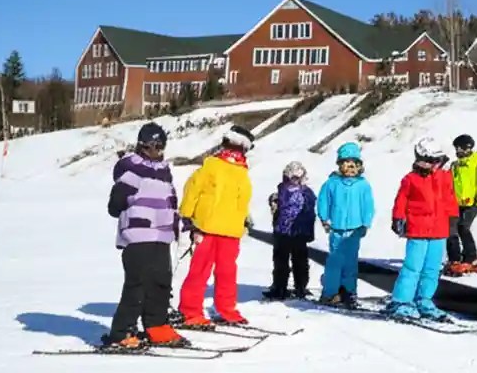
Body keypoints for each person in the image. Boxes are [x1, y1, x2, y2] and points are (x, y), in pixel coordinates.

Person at [102, 122, 189, 349]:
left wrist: (178, 222)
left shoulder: (164, 172)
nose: (158, 151)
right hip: (138, 236)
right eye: (154, 146)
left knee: (161, 283)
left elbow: (170, 203)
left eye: (162, 146)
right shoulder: (132, 170)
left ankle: (157, 325)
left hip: (161, 237)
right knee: (137, 285)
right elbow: (115, 206)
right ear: (143, 145)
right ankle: (121, 332)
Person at [177, 125, 256, 328]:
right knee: (200, 271)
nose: (235, 152)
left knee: (227, 273)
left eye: (240, 148)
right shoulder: (210, 166)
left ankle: (227, 308)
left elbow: (241, 202)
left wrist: (244, 219)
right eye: (232, 146)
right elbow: (192, 190)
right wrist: (187, 216)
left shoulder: (242, 173)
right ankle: (190, 310)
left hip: (230, 231)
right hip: (207, 228)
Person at [387, 138, 459, 320]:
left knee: (432, 268)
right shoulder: (411, 179)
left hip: (439, 229)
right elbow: (401, 200)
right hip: (418, 229)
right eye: (430, 161)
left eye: (437, 161)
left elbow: (450, 199)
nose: (434, 165)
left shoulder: (445, 177)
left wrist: (452, 219)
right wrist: (398, 218)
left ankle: (424, 299)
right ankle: (401, 301)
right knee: (413, 267)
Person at [316, 141, 376, 308]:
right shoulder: (331, 184)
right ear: (340, 165)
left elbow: (368, 205)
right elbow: (323, 202)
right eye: (346, 163)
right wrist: (324, 218)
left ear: (359, 166)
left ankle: (349, 292)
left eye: (353, 164)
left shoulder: (363, 185)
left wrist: (366, 223)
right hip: (336, 229)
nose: (350, 167)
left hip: (355, 229)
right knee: (335, 262)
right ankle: (330, 292)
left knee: (351, 262)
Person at [263, 161, 317, 301]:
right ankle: (279, 286)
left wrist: (307, 230)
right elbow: (278, 208)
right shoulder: (281, 190)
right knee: (280, 260)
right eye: (289, 178)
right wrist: (273, 202)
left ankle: (301, 286)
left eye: (296, 178)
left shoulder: (307, 193)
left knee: (300, 261)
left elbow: (309, 213)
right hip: (282, 231)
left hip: (299, 232)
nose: (292, 182)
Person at [447, 133, 477, 275]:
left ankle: (471, 257)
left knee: (463, 227)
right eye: (456, 148)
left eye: (459, 148)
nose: (457, 151)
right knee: (451, 228)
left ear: (468, 148)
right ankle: (454, 258)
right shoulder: (456, 164)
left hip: (473, 202)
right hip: (457, 202)